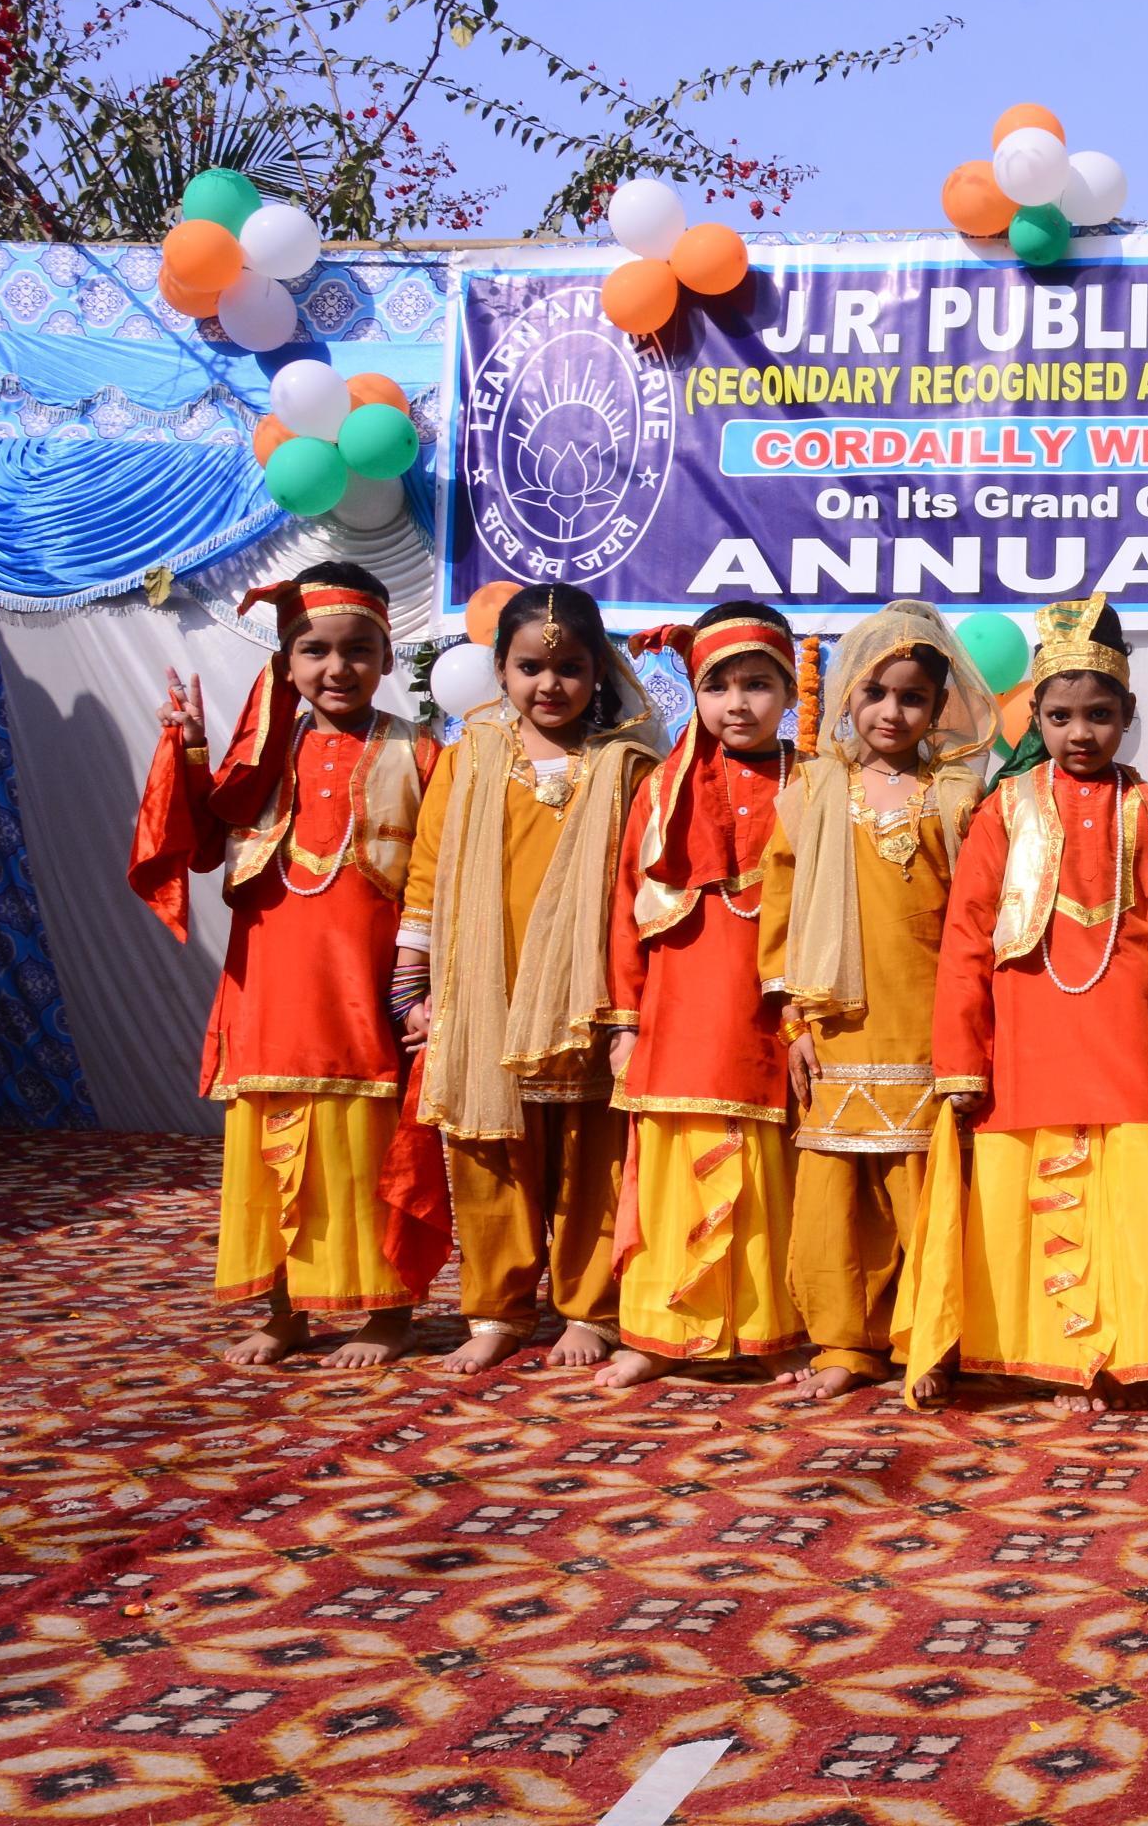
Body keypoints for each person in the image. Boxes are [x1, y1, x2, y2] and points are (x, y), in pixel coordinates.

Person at [129, 564, 444, 1368]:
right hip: (269, 986)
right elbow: (197, 842)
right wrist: (192, 747)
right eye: (316, 651)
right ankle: (283, 1311)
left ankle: (386, 1312)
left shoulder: (422, 752)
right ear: (286, 659)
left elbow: (443, 874)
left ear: (386, 654)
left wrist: (425, 983)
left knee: (375, 1145)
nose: (338, 668)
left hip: (367, 989)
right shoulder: (260, 750)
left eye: (360, 650)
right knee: (268, 1145)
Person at [908, 595, 1148, 1415]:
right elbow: (967, 944)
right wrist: (961, 1061)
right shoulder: (1003, 813)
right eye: (1061, 716)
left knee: (1127, 1197)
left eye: (1100, 716)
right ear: (1034, 715)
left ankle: (1119, 1351)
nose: (1081, 734)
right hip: (1028, 1046)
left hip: (1125, 1051)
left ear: (1128, 716)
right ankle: (1047, 1358)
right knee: (1033, 1193)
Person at [397, 583, 657, 1374]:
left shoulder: (627, 766)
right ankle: (497, 1309)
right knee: (487, 1150)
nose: (550, 684)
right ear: (502, 671)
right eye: (531, 666)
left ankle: (590, 1308)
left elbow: (645, 889)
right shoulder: (468, 757)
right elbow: (427, 873)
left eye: (570, 667)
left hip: (586, 997)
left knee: (591, 1157)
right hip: (486, 991)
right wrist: (414, 985)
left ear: (599, 671)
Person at [759, 602, 995, 1405]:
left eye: (913, 697)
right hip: (835, 1029)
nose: (893, 712)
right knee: (836, 1195)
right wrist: (793, 1022)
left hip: (928, 1021)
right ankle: (844, 1342)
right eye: (877, 694)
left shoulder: (960, 794)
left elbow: (980, 919)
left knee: (925, 1187)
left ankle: (929, 1338)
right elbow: (782, 915)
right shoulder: (814, 790)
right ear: (848, 700)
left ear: (939, 707)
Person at [600, 603, 804, 1388]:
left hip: (772, 1013)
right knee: (671, 1169)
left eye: (758, 684)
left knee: (770, 1172)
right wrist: (623, 1021)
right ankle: (655, 1335)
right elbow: (625, 911)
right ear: (695, 692)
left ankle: (770, 1331)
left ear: (787, 691)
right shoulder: (662, 790)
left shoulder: (812, 783)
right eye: (718, 686)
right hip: (677, 1016)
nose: (738, 704)